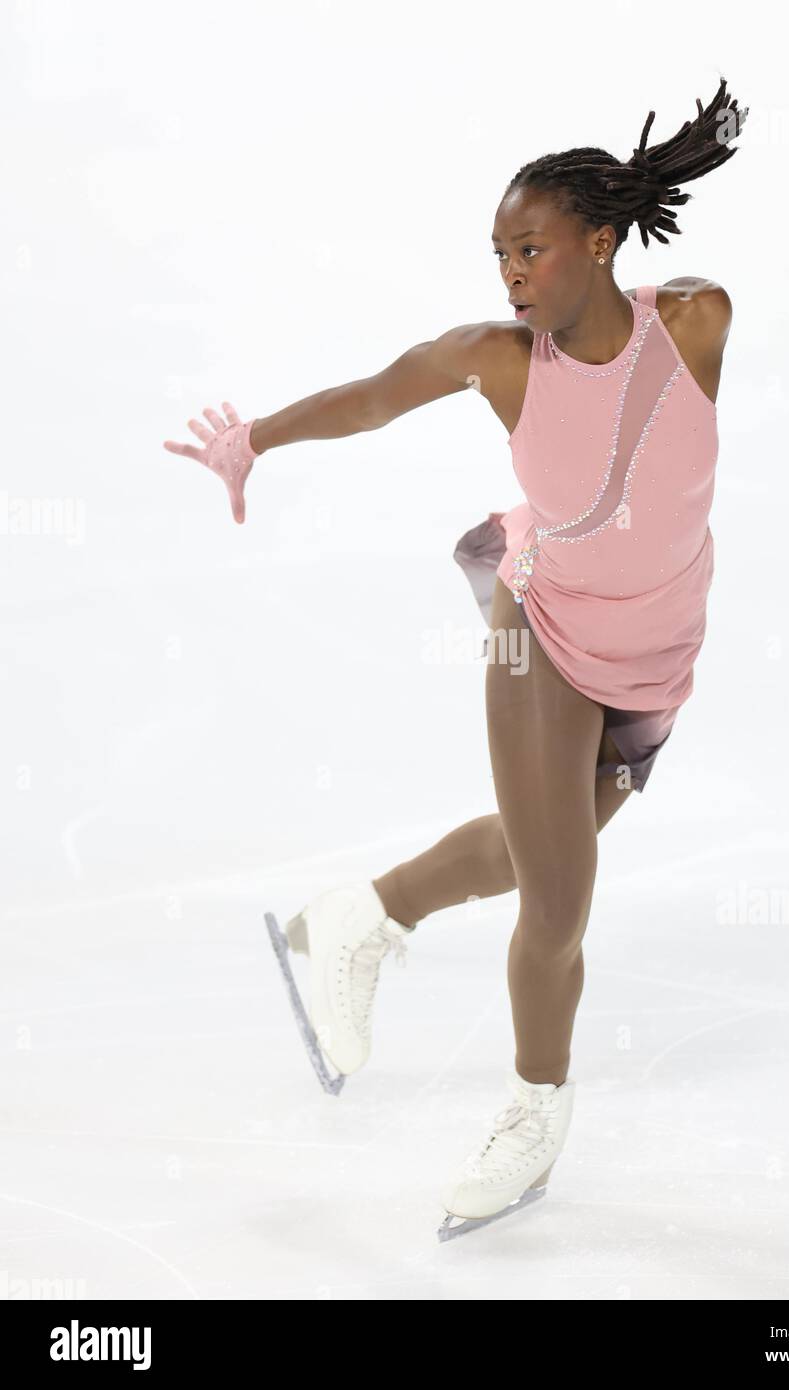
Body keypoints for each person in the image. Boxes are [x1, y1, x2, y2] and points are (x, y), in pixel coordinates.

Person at [164, 77, 747, 1238]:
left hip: (654, 659)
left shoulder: (693, 322)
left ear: (598, 240)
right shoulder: (500, 360)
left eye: (529, 248)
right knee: (560, 898)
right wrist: (254, 440)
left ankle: (362, 915)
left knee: (542, 854)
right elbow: (372, 400)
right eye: (497, 254)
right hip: (542, 626)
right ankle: (535, 1110)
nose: (511, 272)